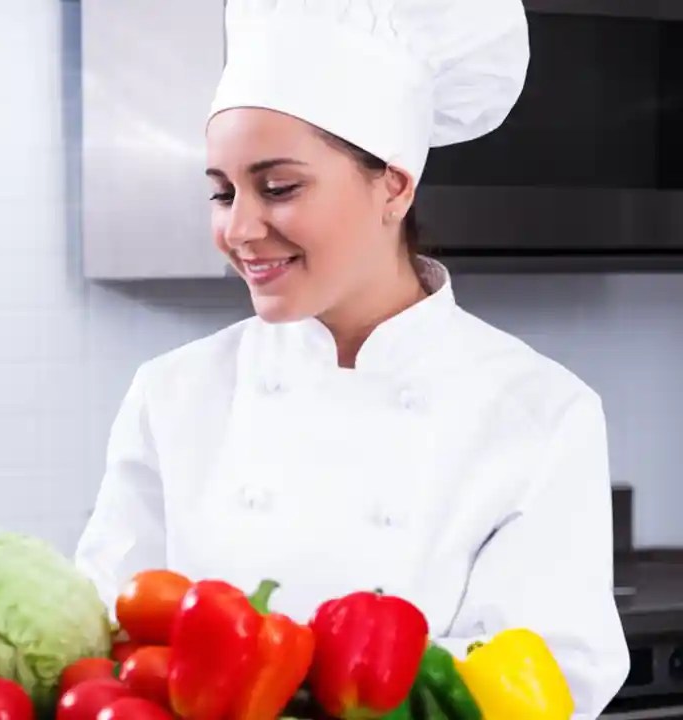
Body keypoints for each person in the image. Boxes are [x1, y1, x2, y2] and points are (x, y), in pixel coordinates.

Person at [73, 0, 630, 716]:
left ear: (394, 186)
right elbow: (101, 639)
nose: (239, 228)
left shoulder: (541, 414)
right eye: (221, 191)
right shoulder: (172, 394)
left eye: (279, 187)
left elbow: (545, 685)